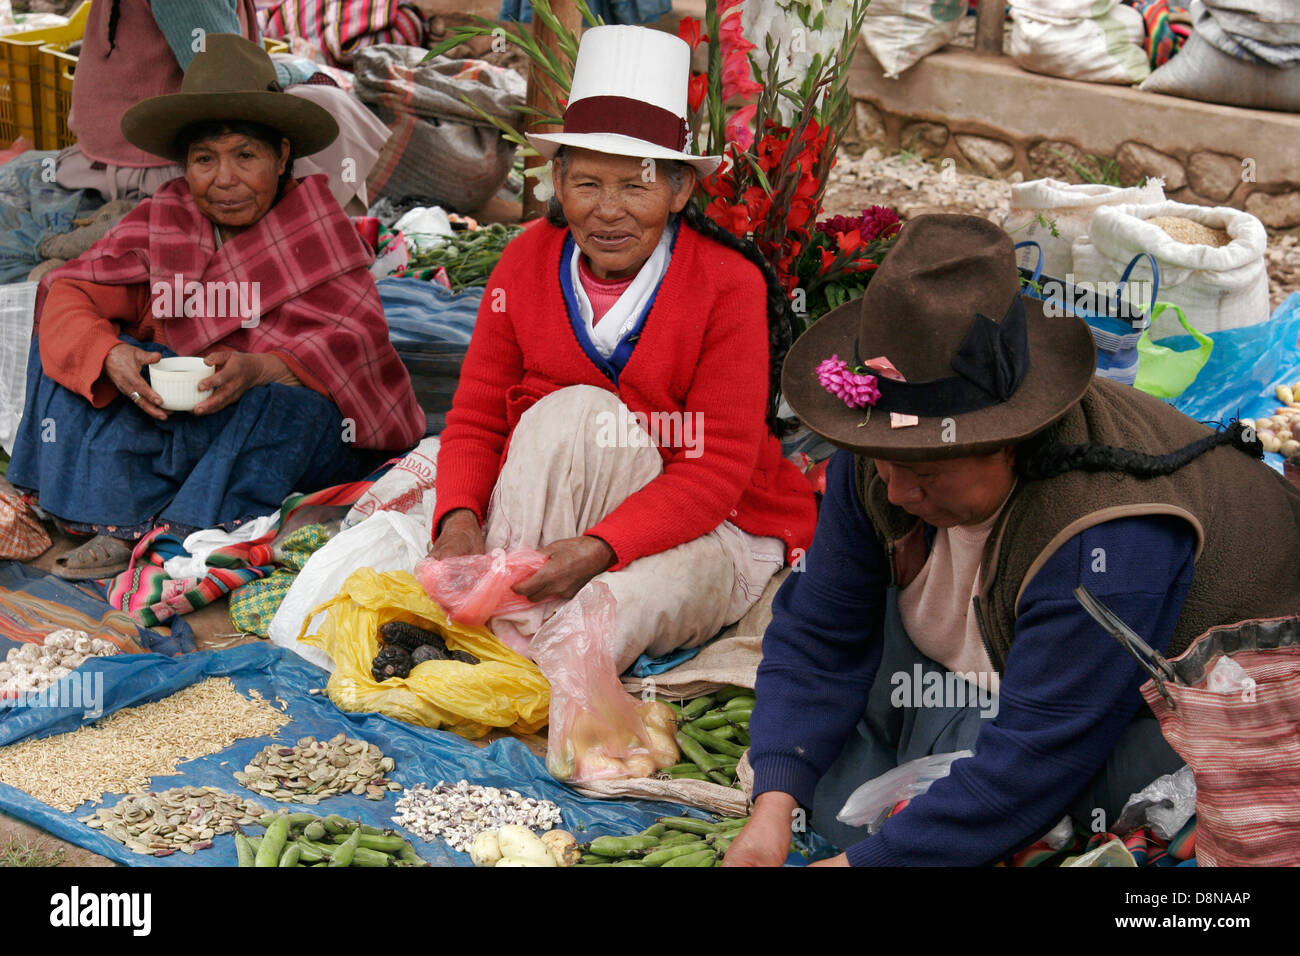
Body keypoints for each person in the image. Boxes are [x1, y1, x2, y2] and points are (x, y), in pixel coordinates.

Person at [724, 214, 1300, 867]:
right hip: (993, 668)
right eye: (882, 462)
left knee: (1105, 807)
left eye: (925, 471)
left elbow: (1039, 752)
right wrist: (775, 807)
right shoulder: (884, 450)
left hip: (1195, 697)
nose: (895, 492)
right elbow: (821, 636)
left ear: (1008, 443)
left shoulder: (1107, 531)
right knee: (831, 795)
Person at [429, 25, 817, 677]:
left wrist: (601, 548)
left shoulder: (728, 284)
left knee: (588, 632)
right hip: (549, 498)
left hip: (701, 520)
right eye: (587, 184)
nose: (609, 211)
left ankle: (516, 625)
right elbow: (476, 418)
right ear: (557, 180)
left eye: (635, 186)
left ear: (679, 190)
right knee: (563, 418)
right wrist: (459, 518)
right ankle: (509, 609)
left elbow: (718, 466)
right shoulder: (526, 261)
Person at [7, 34, 425, 580]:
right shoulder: (164, 218)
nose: (223, 179)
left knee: (284, 410)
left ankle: (183, 530)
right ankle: (113, 518)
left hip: (263, 424)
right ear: (185, 164)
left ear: (281, 157)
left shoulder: (319, 231)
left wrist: (266, 367)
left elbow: (355, 344)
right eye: (205, 159)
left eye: (245, 156)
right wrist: (109, 355)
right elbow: (73, 292)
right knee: (66, 345)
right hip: (171, 412)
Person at [57, 0, 388, 213]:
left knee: (310, 83)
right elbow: (230, 79)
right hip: (143, 156)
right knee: (329, 106)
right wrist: (305, 72)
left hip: (120, 135)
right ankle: (331, 234)